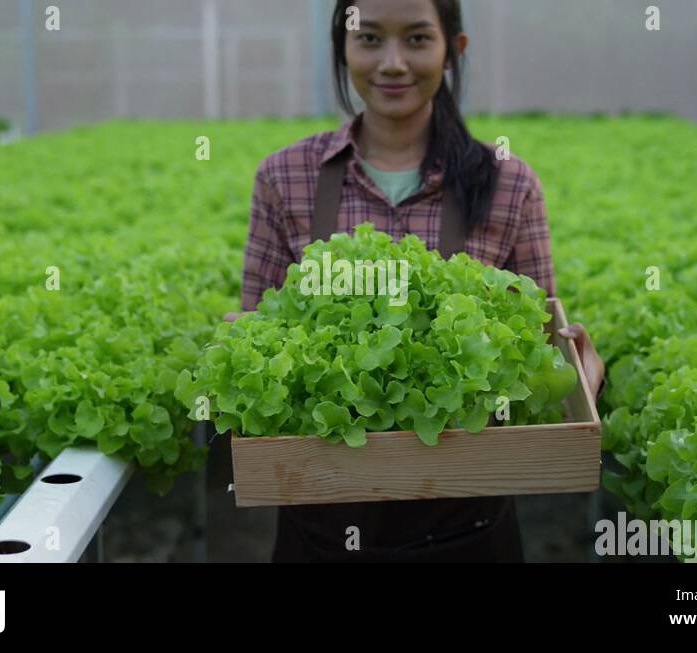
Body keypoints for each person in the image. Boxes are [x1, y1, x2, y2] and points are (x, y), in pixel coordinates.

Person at [231, 0, 605, 562]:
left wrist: (574, 372)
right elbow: (256, 336)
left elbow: (537, 335)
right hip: (321, 525)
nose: (393, 63)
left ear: (453, 50)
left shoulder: (508, 183)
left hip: (469, 526)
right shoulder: (286, 176)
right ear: (342, 48)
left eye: (417, 39)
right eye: (370, 39)